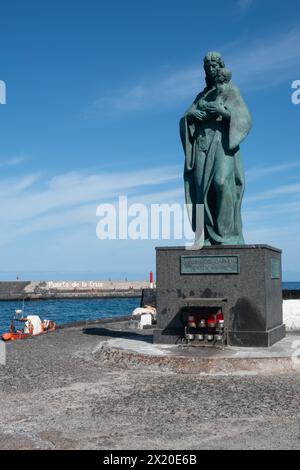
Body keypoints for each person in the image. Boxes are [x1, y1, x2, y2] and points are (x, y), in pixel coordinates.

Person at [180, 52, 252, 245]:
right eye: (208, 67)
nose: (211, 70)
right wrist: (193, 116)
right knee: (202, 189)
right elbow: (185, 118)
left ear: (221, 66)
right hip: (202, 144)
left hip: (222, 142)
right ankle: (204, 237)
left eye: (214, 66)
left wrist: (223, 112)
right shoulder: (201, 96)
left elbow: (245, 118)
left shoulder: (231, 90)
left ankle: (226, 235)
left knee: (221, 182)